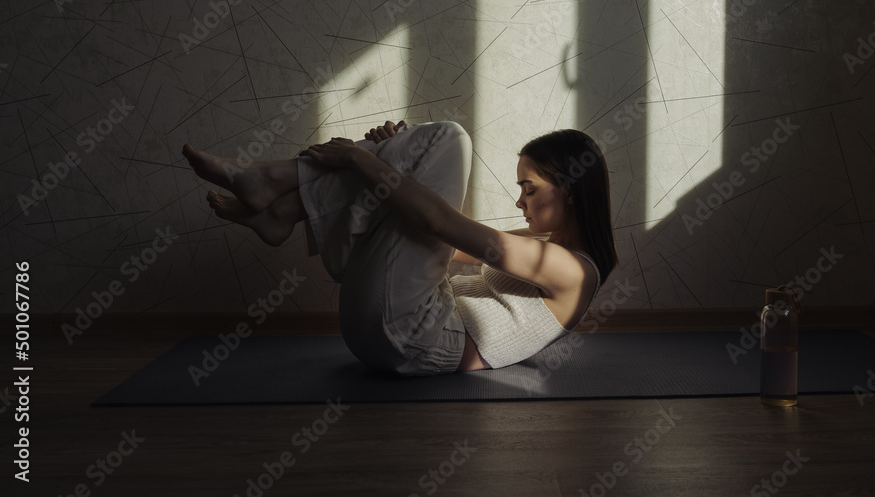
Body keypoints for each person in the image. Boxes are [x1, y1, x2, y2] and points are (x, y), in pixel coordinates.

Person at [181, 119, 618, 377]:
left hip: (412, 333)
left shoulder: (571, 272)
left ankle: (275, 188)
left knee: (450, 138)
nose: (519, 201)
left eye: (529, 189)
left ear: (571, 192)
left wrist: (364, 159)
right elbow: (442, 238)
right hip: (396, 332)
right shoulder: (546, 249)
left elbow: (440, 223)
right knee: (420, 155)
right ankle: (278, 207)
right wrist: (396, 160)